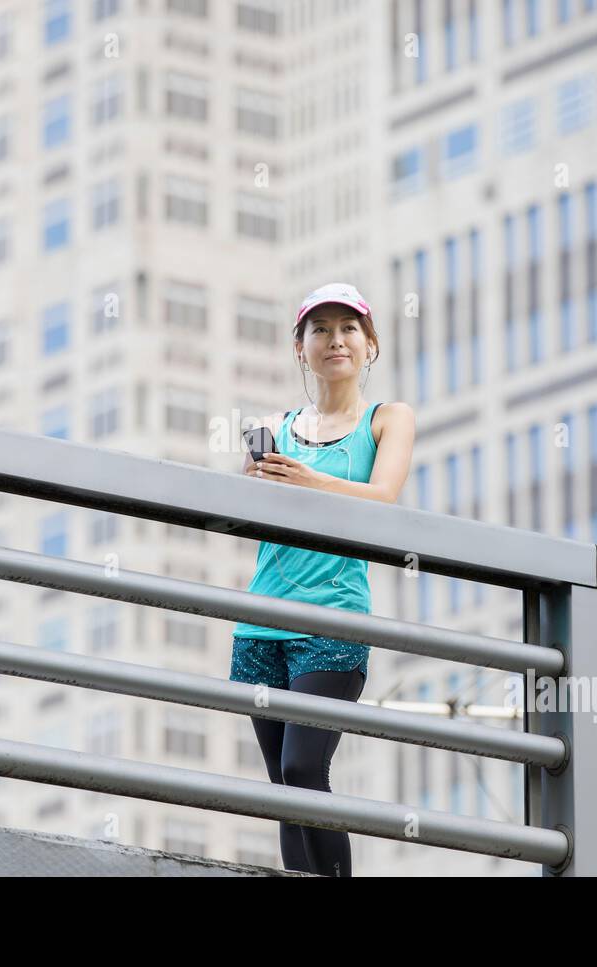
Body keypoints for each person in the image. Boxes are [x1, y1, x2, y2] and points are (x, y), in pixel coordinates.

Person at [231, 282, 416, 876]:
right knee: (282, 790)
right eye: (320, 329)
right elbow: (245, 517)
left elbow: (383, 498)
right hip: (261, 622)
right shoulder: (272, 427)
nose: (335, 340)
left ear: (371, 344)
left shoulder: (388, 418)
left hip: (333, 619)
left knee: (304, 769)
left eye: (348, 328)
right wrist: (259, 480)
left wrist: (306, 480)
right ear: (299, 347)